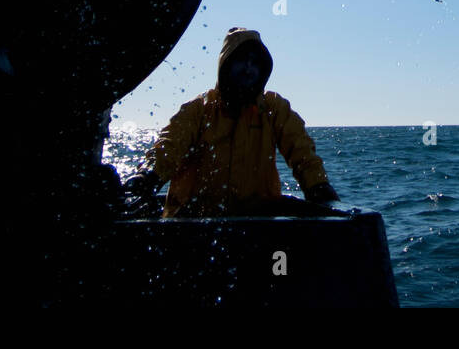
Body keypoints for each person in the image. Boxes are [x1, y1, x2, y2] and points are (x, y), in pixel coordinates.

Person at [132, 27, 339, 216]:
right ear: (226, 64)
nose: (248, 69)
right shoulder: (199, 110)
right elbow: (169, 147)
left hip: (257, 225)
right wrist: (147, 177)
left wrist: (318, 187)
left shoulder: (274, 108)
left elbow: (302, 152)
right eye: (241, 60)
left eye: (255, 62)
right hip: (193, 225)